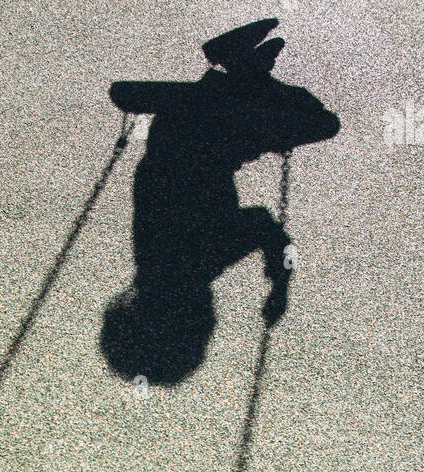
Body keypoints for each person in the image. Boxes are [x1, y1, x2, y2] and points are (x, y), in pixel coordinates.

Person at [101, 19, 339, 384]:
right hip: (176, 137)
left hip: (212, 135)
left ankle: (241, 73)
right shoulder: (158, 265)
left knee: (319, 122)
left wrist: (279, 287)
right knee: (302, 118)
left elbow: (262, 225)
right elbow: (257, 227)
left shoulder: (192, 264)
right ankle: (241, 72)